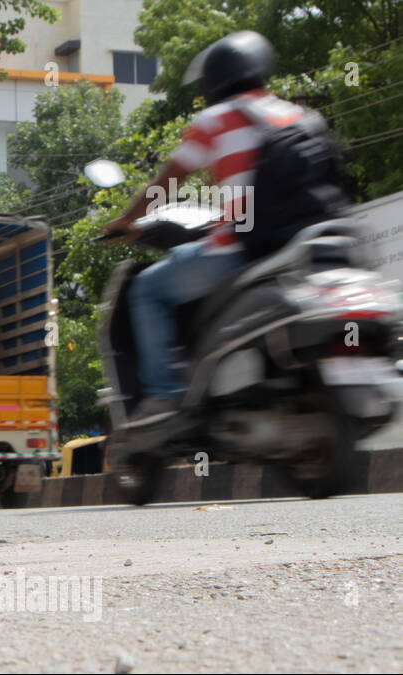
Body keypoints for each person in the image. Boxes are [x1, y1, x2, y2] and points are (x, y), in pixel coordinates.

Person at [101, 30, 344, 428]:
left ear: (214, 79)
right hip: (307, 245)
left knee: (146, 291)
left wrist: (127, 221)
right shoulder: (298, 115)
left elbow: (168, 182)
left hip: (239, 252)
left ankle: (164, 396)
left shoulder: (214, 119)